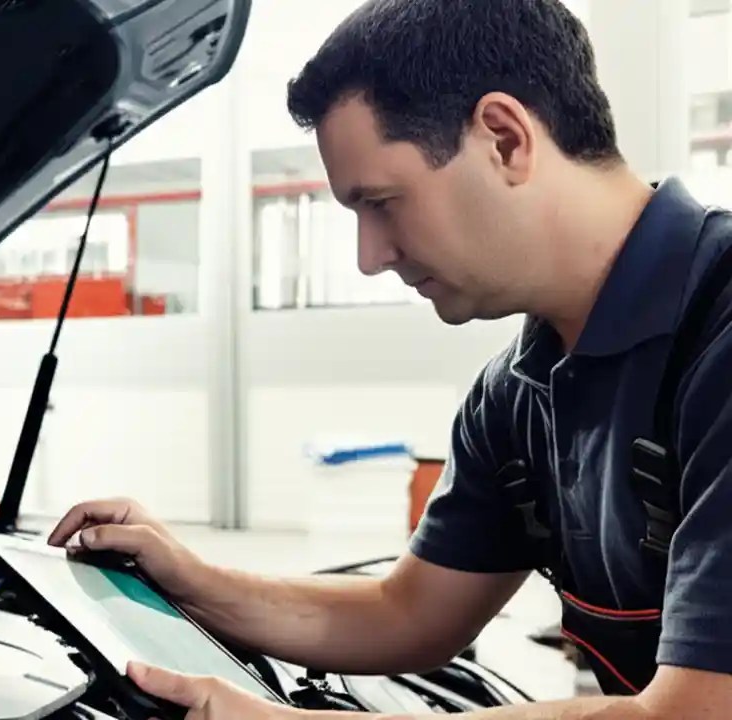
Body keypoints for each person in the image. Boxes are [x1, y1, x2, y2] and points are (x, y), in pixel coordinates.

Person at [47, 0, 732, 717]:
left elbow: (696, 712)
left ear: (503, 140)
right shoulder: (518, 395)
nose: (369, 257)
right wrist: (191, 581)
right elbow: (409, 611)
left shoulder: (719, 333)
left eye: (381, 202)